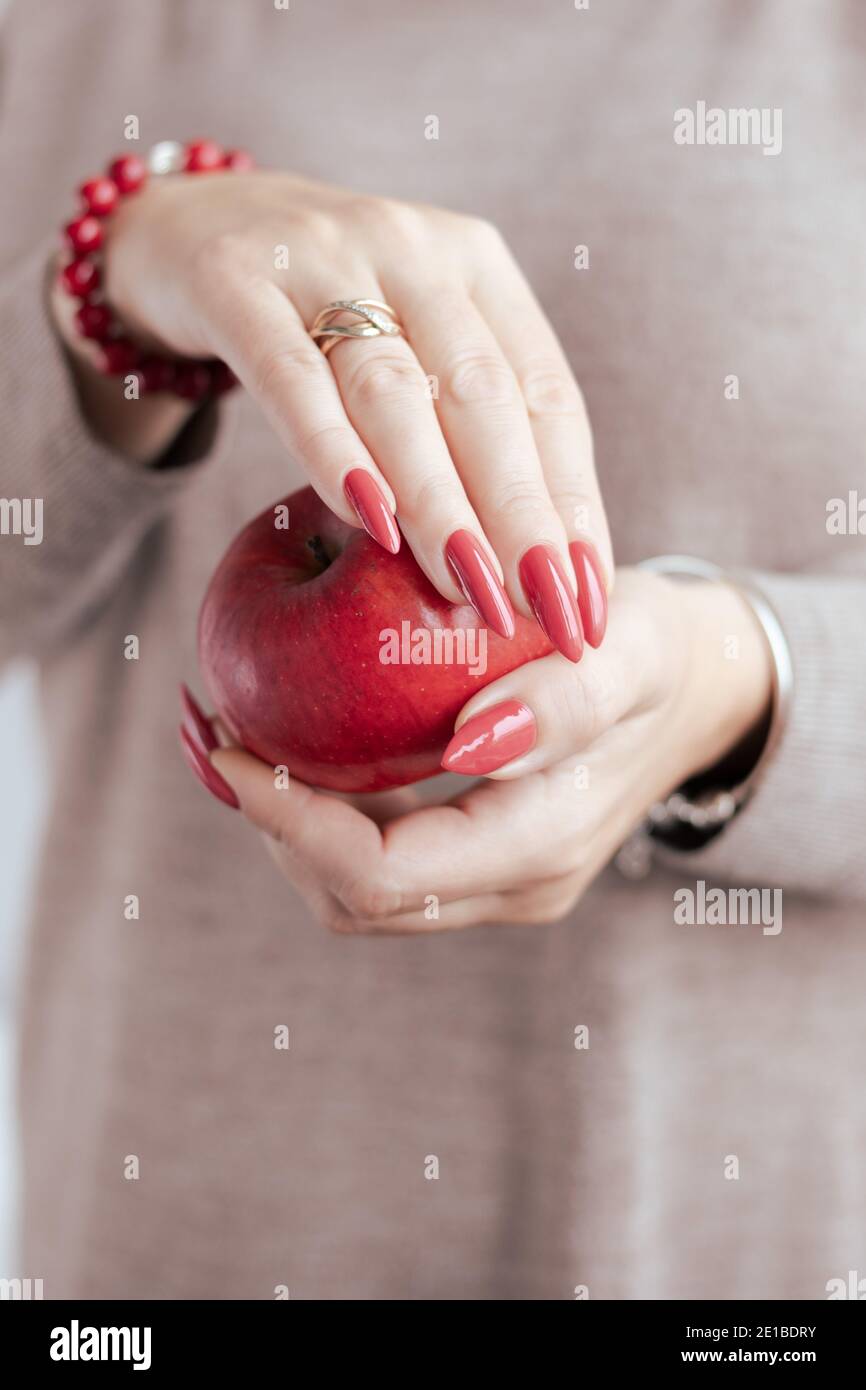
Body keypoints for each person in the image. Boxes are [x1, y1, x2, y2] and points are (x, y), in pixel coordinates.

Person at [1, 0, 864, 1299]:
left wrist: (738, 675)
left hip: (741, 1252)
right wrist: (108, 294)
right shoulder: (77, 30)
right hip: (183, 1234)